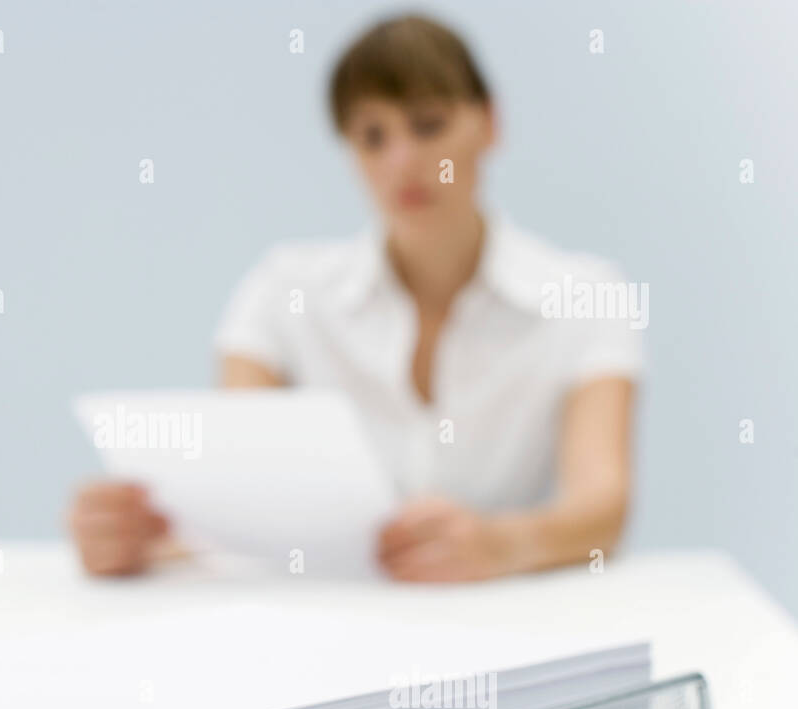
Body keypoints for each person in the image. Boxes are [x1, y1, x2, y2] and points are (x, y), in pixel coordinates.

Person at [68, 14, 644, 583]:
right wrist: (142, 539)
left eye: (429, 125)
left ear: (490, 124)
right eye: (373, 136)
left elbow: (601, 509)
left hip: (506, 628)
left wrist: (501, 545)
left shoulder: (587, 298)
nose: (402, 161)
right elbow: (236, 503)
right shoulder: (282, 293)